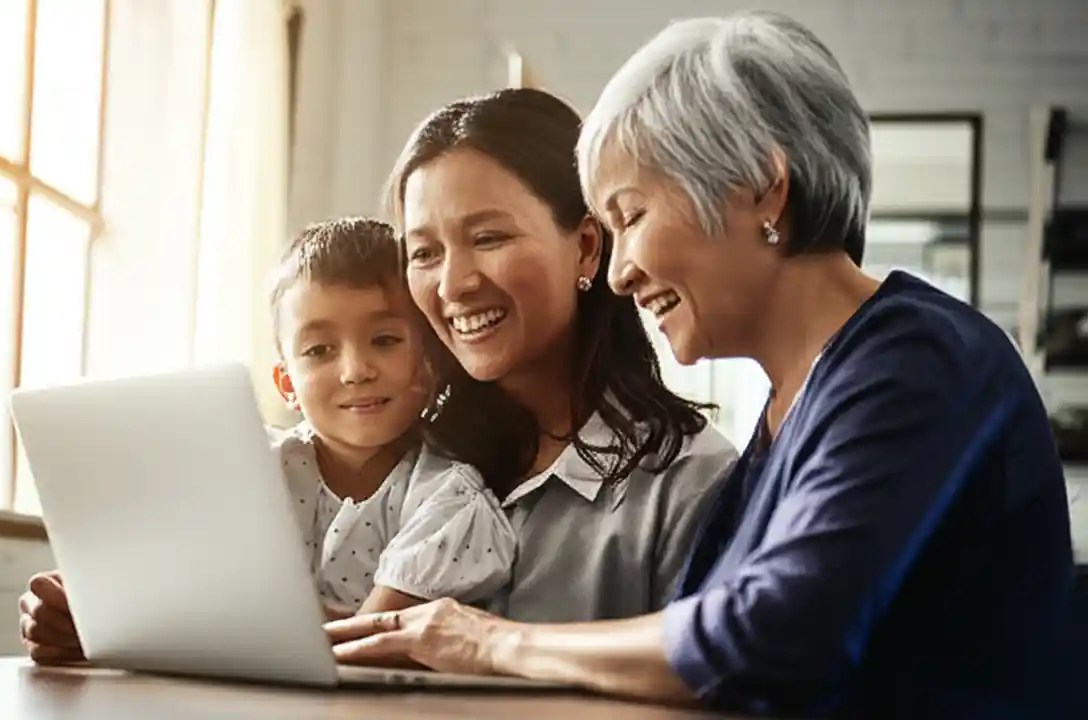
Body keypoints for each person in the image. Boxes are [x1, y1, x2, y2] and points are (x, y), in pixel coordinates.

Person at [326, 11, 1073, 719]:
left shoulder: (917, 358)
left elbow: (765, 641)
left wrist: (490, 642)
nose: (618, 273)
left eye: (632, 216)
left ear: (763, 190)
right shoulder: (798, 407)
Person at [20, 85, 736, 657]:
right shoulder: (383, 447)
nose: (453, 284)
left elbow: (725, 689)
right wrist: (119, 621)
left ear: (586, 249)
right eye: (423, 252)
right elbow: (334, 641)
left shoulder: (687, 481)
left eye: (487, 238)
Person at [18, 217, 516, 662]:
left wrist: (170, 623)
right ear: (286, 384)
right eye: (319, 349)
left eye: (384, 340)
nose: (355, 371)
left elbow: (361, 647)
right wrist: (90, 616)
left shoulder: (453, 503)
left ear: (428, 367)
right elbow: (168, 594)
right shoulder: (243, 467)